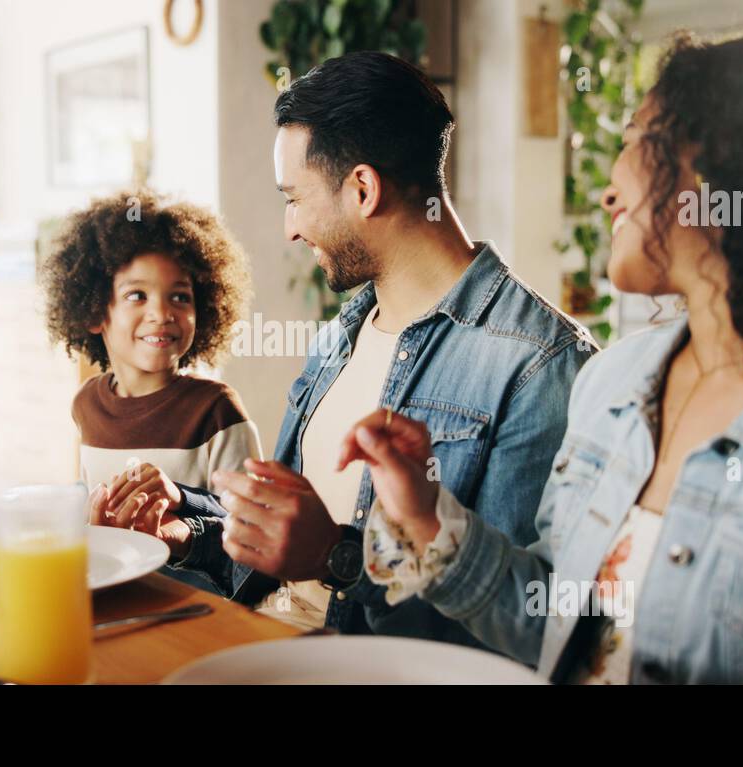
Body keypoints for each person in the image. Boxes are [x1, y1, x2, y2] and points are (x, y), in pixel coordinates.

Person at [342, 33, 743, 682]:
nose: (607, 193)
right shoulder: (614, 383)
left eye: (633, 138)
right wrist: (429, 517)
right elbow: (563, 625)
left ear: (717, 162)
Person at [104, 51, 594, 639]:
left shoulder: (538, 364)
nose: (289, 228)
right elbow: (282, 548)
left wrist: (339, 558)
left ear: (362, 189)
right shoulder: (342, 334)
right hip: (259, 638)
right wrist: (186, 530)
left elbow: (526, 626)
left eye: (294, 198)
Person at [42, 189, 262, 550]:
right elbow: (86, 502)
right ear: (95, 311)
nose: (161, 314)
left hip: (195, 600)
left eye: (180, 296)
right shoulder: (85, 404)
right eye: (137, 296)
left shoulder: (217, 411)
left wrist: (180, 520)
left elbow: (252, 532)